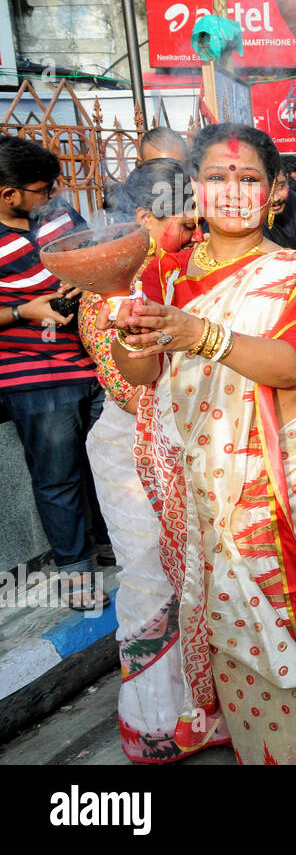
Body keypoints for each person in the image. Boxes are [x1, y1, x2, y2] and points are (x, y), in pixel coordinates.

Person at [107, 123, 296, 765]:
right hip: (201, 481)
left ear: (273, 194)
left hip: (288, 485)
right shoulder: (165, 272)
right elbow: (143, 377)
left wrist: (198, 334)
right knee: (232, 628)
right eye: (217, 178)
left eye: (248, 180)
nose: (234, 192)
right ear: (194, 192)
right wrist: (129, 335)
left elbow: (289, 365)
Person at [81, 159, 226, 761]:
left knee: (196, 581)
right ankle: (155, 726)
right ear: (142, 218)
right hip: (130, 453)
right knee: (149, 583)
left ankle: (202, 711)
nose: (196, 234)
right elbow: (129, 388)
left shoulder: (184, 274)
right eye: (183, 224)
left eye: (199, 223)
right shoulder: (108, 289)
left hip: (182, 448)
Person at [0, 136, 108, 609]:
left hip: (93, 361)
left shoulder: (58, 213)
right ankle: (77, 578)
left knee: (109, 464)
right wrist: (24, 311)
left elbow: (93, 251)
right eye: (43, 189)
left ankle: (114, 549)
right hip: (35, 377)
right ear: (9, 194)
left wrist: (82, 274)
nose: (52, 196)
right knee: (58, 479)